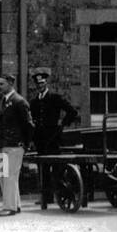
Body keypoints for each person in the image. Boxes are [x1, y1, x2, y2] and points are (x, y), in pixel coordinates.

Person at [29, 68, 80, 205]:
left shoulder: (55, 98)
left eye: (42, 83)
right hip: (40, 140)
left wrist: (62, 124)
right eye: (38, 84)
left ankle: (60, 194)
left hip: (54, 138)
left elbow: (72, 112)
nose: (40, 86)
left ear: (46, 84)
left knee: (56, 167)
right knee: (43, 169)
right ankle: (46, 197)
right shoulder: (34, 102)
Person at [0, 74, 33, 216]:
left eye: (1, 84)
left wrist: (25, 144)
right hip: (3, 144)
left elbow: (28, 125)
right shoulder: (4, 101)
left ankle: (9, 208)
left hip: (15, 145)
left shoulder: (19, 101)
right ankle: (14, 204)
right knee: (3, 175)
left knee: (10, 176)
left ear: (10, 84)